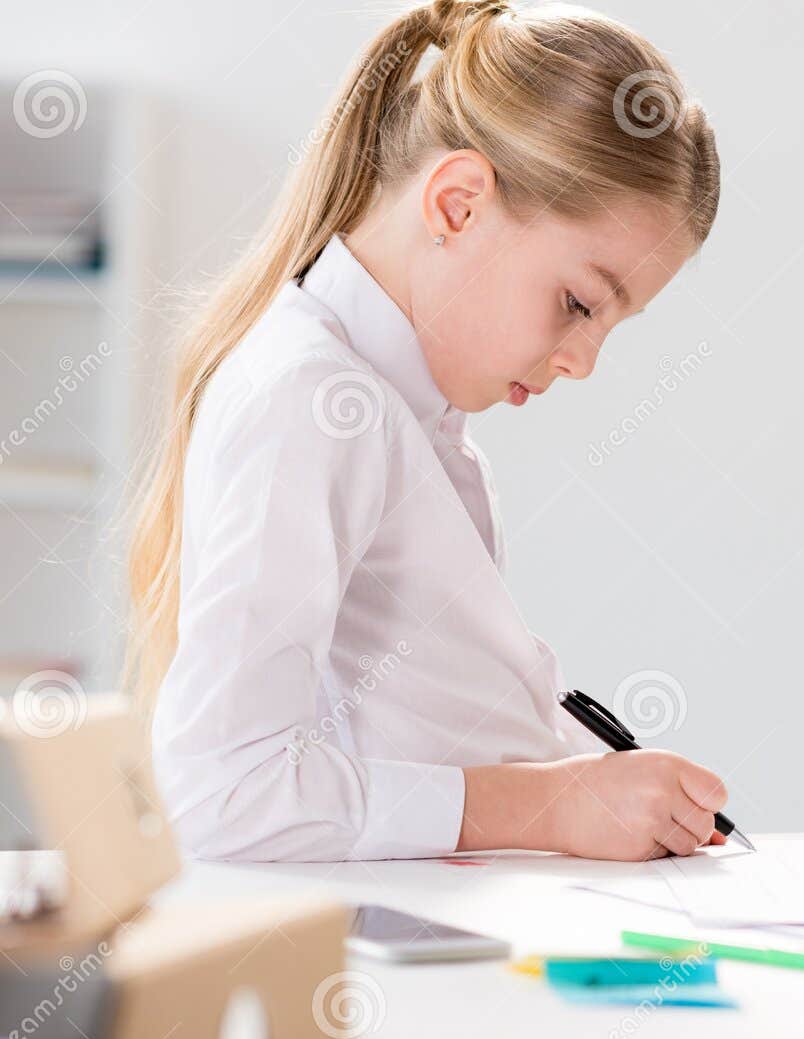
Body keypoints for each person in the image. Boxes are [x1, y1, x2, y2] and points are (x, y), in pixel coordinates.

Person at [128, 0, 729, 862]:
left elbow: (420, 722)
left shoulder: (406, 415)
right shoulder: (316, 400)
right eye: (578, 304)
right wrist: (550, 805)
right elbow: (221, 793)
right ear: (456, 205)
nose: (583, 362)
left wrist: (588, 781)